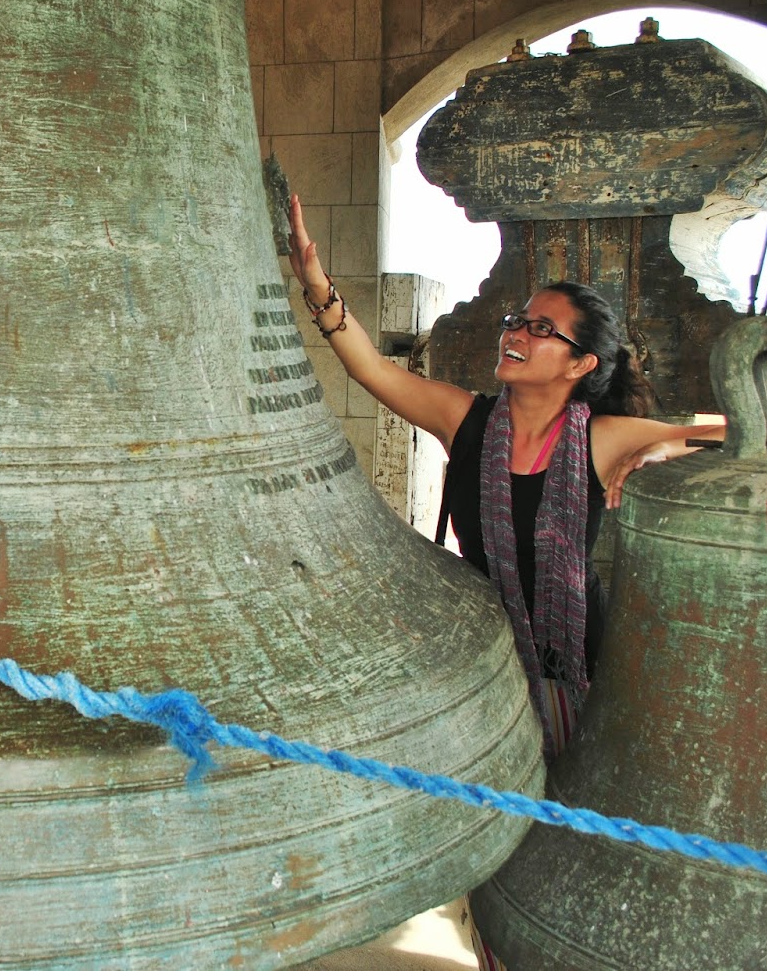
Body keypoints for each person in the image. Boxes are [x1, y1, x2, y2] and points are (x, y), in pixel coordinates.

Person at [287, 195, 721, 756]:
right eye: (516, 321)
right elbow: (370, 367)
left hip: (580, 665)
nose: (515, 334)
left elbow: (738, 434)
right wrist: (318, 287)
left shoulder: (603, 436)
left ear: (580, 364)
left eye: (541, 329)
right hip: (485, 653)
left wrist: (665, 448)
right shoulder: (464, 419)